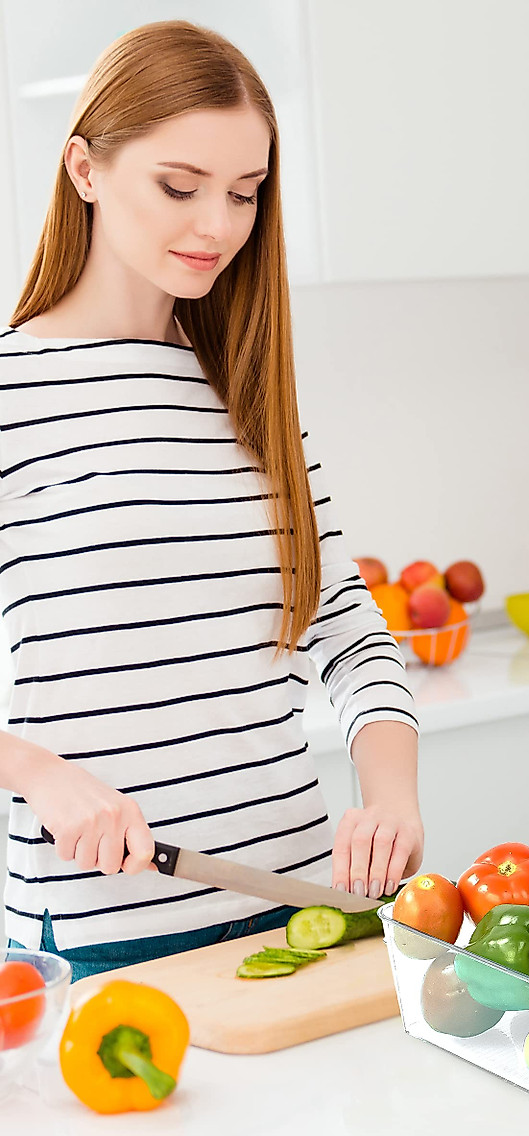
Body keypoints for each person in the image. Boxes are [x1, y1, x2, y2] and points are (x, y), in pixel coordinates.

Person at [0, 21, 421, 980]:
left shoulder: (248, 395)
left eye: (244, 194)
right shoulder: (10, 393)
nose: (217, 227)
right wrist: (35, 772)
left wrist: (387, 791)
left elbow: (350, 637)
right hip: (103, 933)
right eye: (179, 187)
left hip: (299, 913)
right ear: (85, 171)